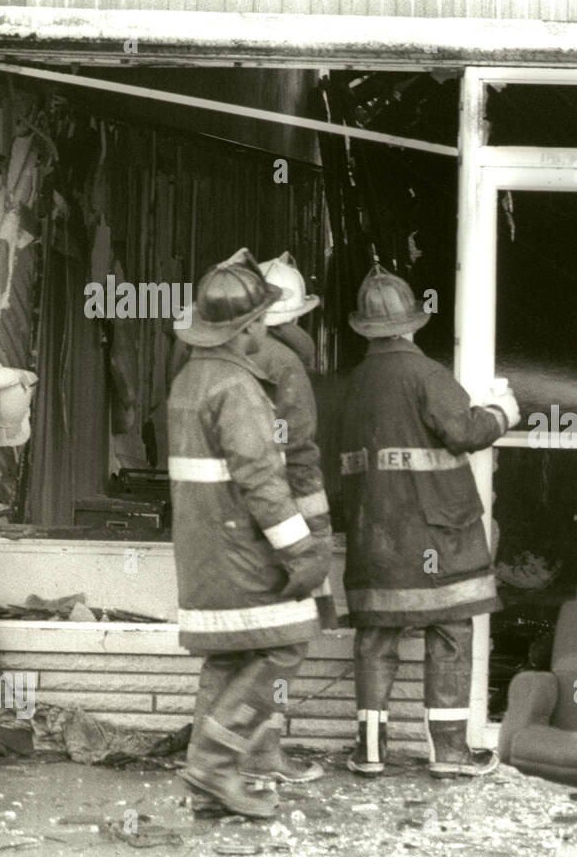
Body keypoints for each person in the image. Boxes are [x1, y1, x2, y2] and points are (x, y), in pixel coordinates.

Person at [339, 263, 519, 779]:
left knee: (375, 635)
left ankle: (369, 751)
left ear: (364, 329)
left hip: (375, 534)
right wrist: (503, 412)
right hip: (439, 532)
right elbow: (462, 433)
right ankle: (451, 752)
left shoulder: (355, 384)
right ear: (413, 324)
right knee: (451, 630)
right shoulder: (426, 374)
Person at [169, 249, 330, 817]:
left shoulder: (192, 378)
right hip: (242, 547)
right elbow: (262, 478)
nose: (266, 330)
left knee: (229, 658)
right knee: (286, 643)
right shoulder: (237, 389)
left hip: (206, 546)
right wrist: (304, 551)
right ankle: (215, 762)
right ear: (243, 328)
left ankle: (208, 782)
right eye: (260, 321)